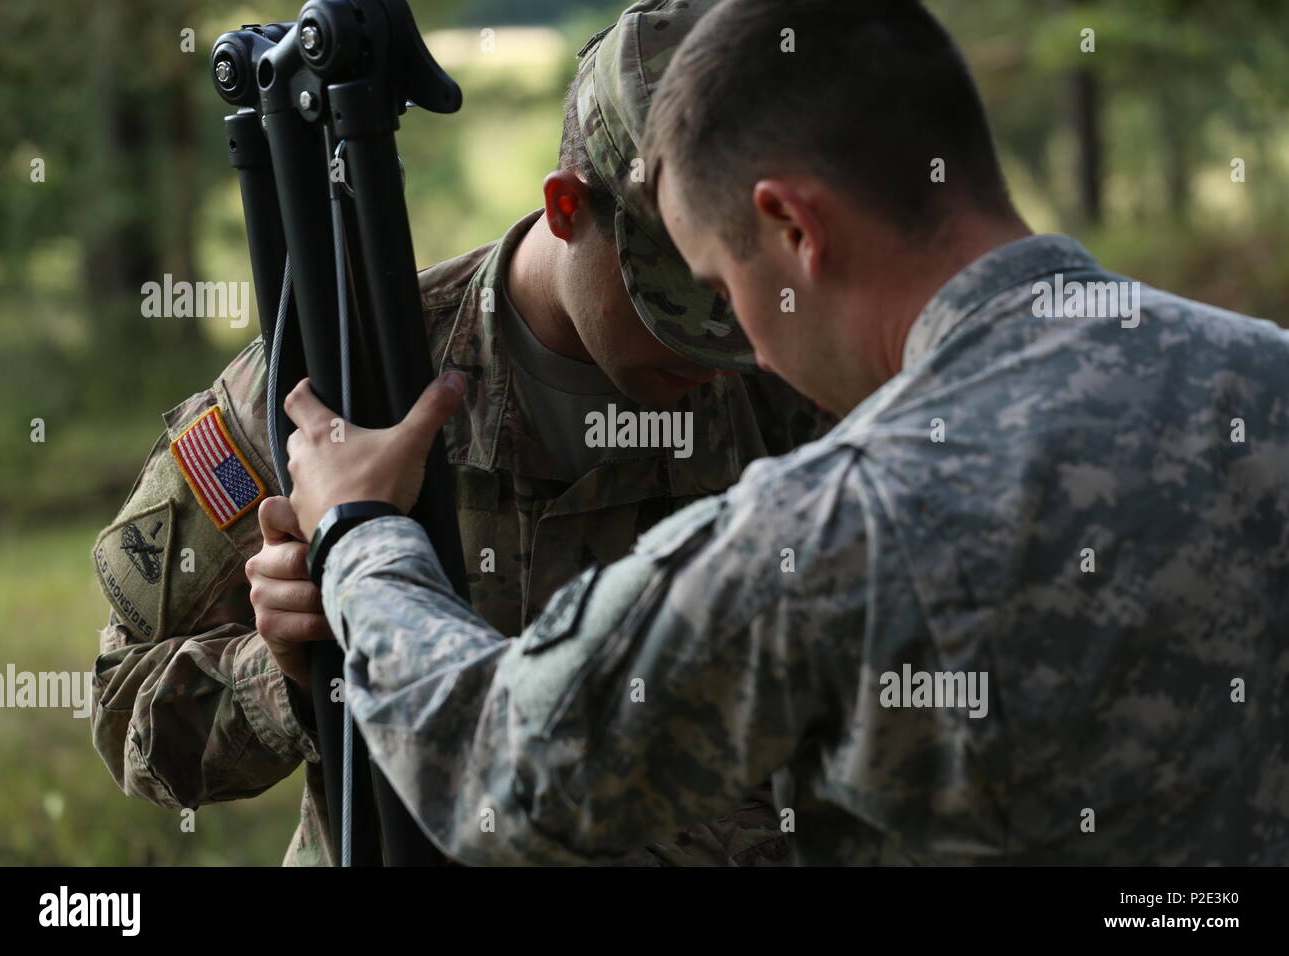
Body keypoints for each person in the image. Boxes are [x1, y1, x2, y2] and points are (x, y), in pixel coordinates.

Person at [279, 0, 1289, 865]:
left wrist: (360, 532)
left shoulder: (840, 523)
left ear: (793, 228)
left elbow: (499, 764)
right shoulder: (1266, 373)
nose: (750, 356)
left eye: (724, 286)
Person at [89, 0, 830, 866]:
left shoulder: (797, 381)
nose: (717, 349)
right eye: (679, 301)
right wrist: (290, 673)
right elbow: (124, 710)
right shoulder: (333, 387)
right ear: (566, 207)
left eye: (743, 301)